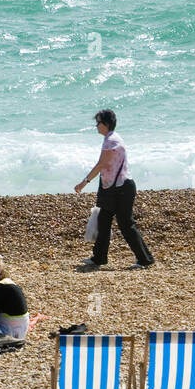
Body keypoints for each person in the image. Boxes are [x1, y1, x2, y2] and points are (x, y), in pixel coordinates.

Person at [74, 109, 155, 271]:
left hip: (121, 188)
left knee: (126, 224)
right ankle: (99, 258)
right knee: (103, 221)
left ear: (106, 124)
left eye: (98, 123)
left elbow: (101, 164)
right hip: (113, 188)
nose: (96, 126)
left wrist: (84, 182)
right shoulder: (110, 139)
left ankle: (145, 259)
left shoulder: (111, 141)